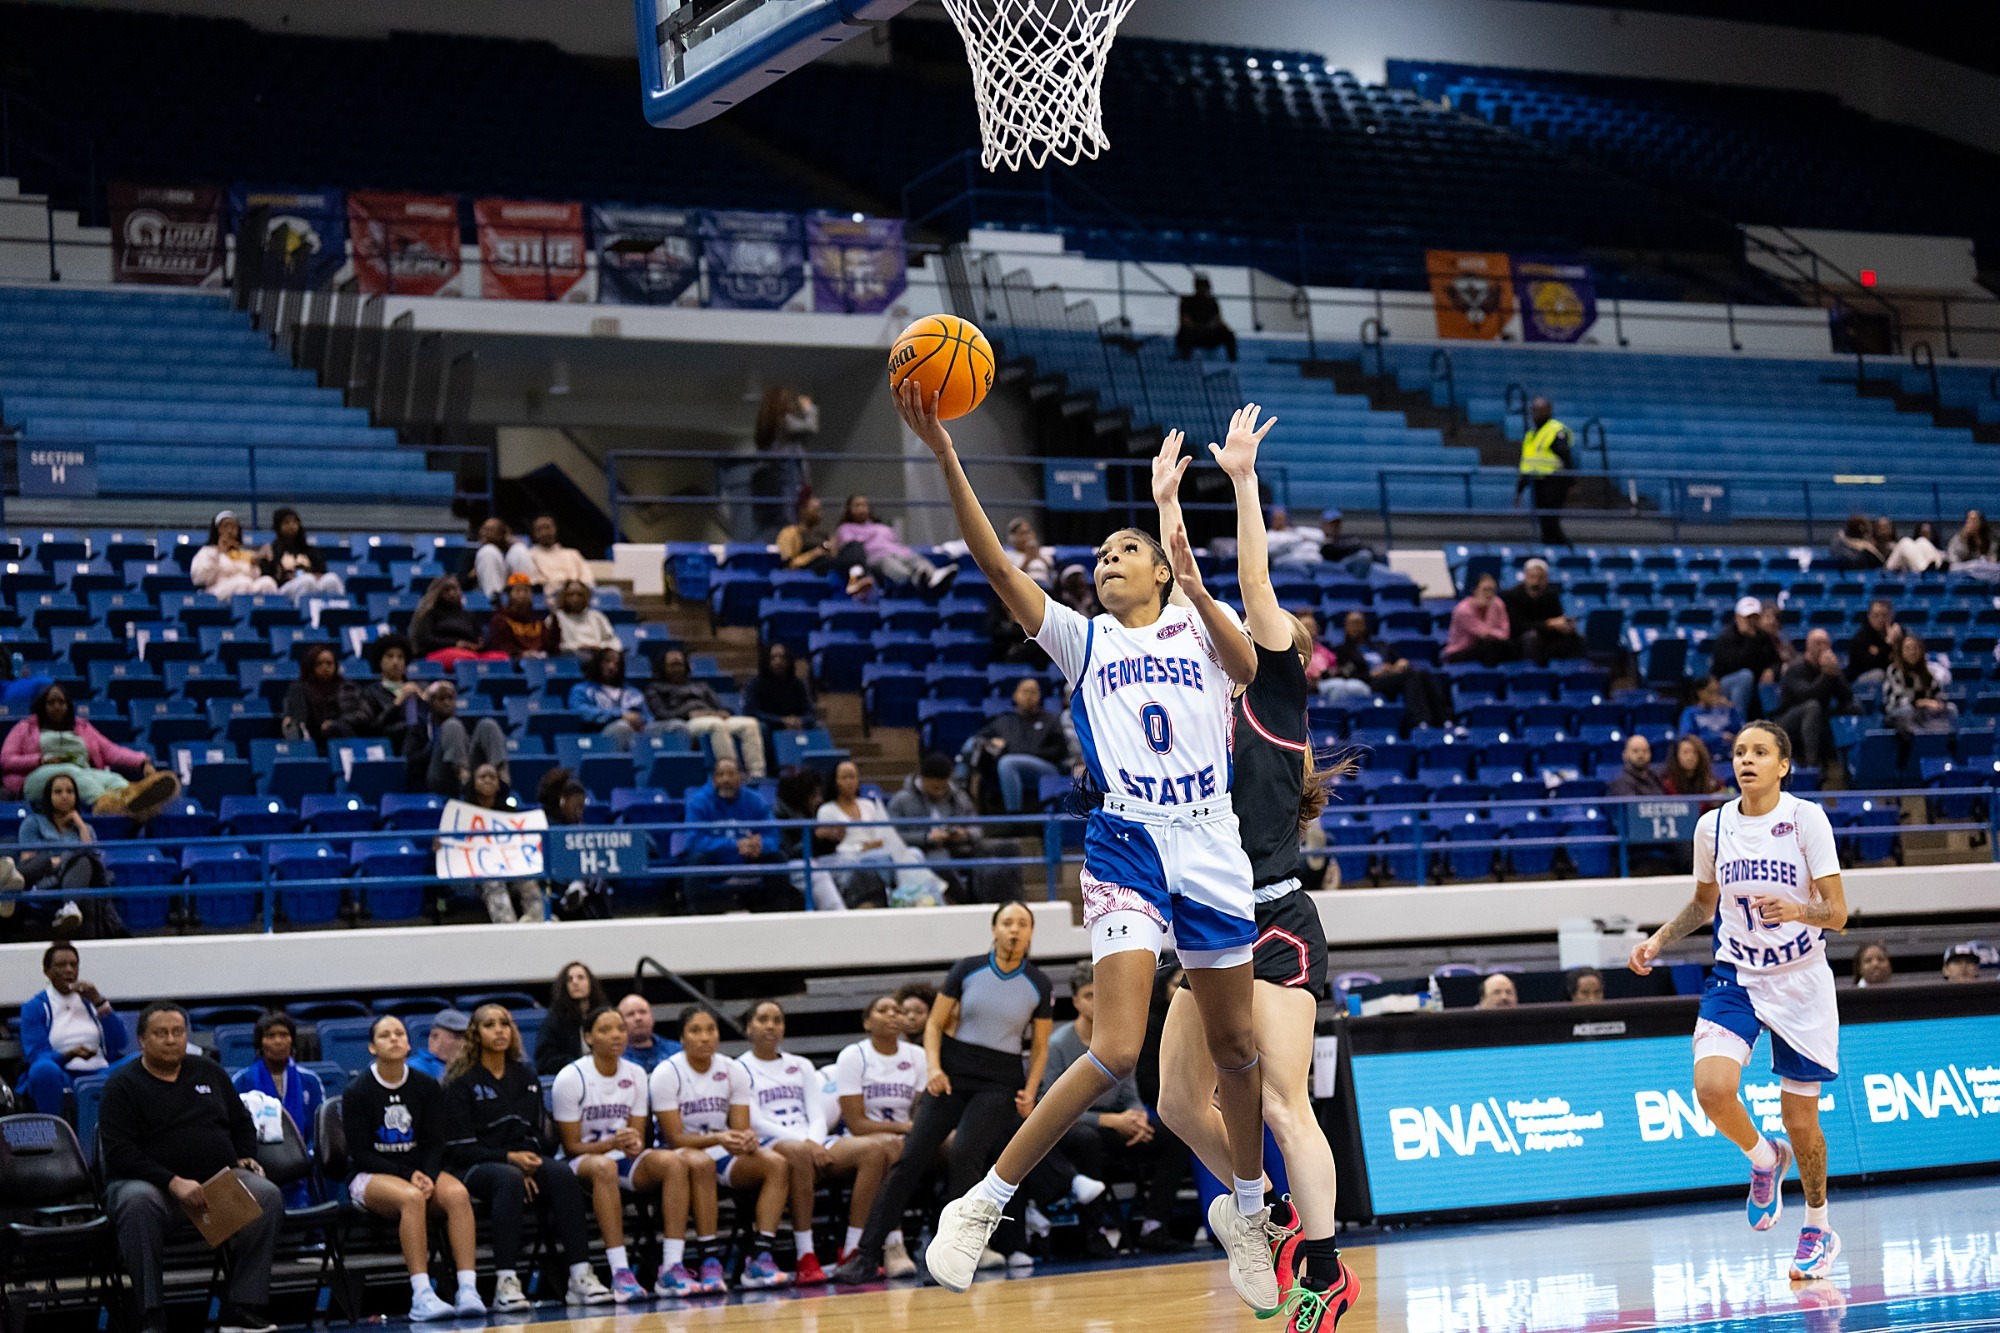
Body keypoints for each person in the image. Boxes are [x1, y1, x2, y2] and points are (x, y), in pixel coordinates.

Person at [864, 381, 1271, 1305]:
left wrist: (1196, 579)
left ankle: (1248, 1211)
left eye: (1125, 549)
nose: (1106, 560)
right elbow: (997, 565)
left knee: (1237, 1045)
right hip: (1126, 838)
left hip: (1211, 839)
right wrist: (946, 454)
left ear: (1161, 568)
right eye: (1098, 554)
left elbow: (1250, 667)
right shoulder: (1084, 642)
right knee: (1118, 1046)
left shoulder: (1200, 623)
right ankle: (982, 1201)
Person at [1149, 415, 1354, 1327]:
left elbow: (1247, 584)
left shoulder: (1273, 691)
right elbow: (1181, 591)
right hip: (1204, 925)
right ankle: (1267, 1215)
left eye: (1260, 626)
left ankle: (1326, 1265)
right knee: (1176, 1100)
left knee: (1279, 1099)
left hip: (1273, 924)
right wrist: (1165, 508)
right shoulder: (1201, 705)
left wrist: (1239, 479)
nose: (1242, 625)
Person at [1629, 720, 1848, 1281]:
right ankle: (1763, 1158)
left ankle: (1818, 1227)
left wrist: (1799, 910)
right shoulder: (1714, 825)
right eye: (1740, 752)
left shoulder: (1806, 819)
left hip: (1801, 980)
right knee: (1711, 1088)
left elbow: (1839, 914)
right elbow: (1704, 904)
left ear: (1783, 765)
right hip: (1738, 976)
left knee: (1801, 1120)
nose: (1747, 760)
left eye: (1760, 752)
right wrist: (1659, 939)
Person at [834, 902, 1053, 1285]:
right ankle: (865, 1256)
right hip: (952, 1072)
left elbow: (1039, 1047)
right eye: (1007, 922)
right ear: (994, 929)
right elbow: (934, 1025)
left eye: (1023, 923)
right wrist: (933, 1069)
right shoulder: (966, 969)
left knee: (965, 1155)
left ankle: (949, 1259)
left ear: (1031, 933)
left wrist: (1030, 1090)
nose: (1015, 930)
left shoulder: (1039, 983)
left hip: (998, 1081)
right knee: (909, 1159)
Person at [101, 1002, 285, 1333]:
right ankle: (151, 1315)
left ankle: (240, 1307)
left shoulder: (209, 1071)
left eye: (178, 1032)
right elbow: (119, 1153)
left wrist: (244, 1155)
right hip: (153, 1190)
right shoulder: (122, 1085)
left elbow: (242, 1121)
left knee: (267, 1196)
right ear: (142, 1040)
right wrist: (172, 1181)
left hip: (213, 1190)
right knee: (137, 1202)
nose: (171, 1040)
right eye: (161, 1033)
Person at [442, 1005, 614, 1309]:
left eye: (505, 1024)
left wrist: (528, 1164)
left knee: (560, 1173)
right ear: (475, 1035)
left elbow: (535, 1135)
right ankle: (506, 1283)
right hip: (473, 1165)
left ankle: (580, 1275)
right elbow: (460, 1147)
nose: (499, 1030)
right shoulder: (461, 1080)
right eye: (490, 1025)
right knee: (507, 1179)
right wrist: (511, 1160)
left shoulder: (525, 1075)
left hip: (519, 1161)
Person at [738, 1000, 898, 1283]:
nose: (771, 1026)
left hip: (812, 1139)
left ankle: (853, 1250)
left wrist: (815, 1140)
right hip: (770, 1142)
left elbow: (816, 1114)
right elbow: (756, 1121)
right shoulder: (739, 1068)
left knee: (873, 1151)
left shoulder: (801, 1065)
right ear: (749, 1027)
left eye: (777, 1020)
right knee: (799, 1152)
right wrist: (808, 1143)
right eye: (763, 1020)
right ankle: (806, 1255)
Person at [342, 1015, 484, 1320]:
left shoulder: (427, 1086)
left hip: (419, 1171)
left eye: (399, 1033)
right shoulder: (357, 1091)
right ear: (372, 1047)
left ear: (408, 1044)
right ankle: (421, 1294)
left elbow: (435, 1142)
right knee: (411, 1197)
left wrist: (429, 1175)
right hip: (371, 1174)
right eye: (385, 1035)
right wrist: (409, 1176)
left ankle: (467, 1289)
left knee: (457, 1194)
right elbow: (361, 1154)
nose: (394, 1039)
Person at [651, 1005, 793, 1291]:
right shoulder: (666, 1073)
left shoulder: (732, 1069)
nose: (705, 1037)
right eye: (695, 1031)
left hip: (719, 1148)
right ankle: (709, 1260)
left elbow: (739, 1129)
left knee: (777, 1164)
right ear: (682, 1039)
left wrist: (746, 1139)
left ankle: (760, 1257)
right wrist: (722, 1139)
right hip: (678, 1152)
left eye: (710, 1030)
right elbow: (675, 1138)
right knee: (701, 1163)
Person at [1040, 963, 1174, 1260]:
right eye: (1089, 996)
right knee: (1086, 1139)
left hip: (1118, 1124)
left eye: (1101, 995)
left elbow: (1131, 1093)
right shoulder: (1058, 1045)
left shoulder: (1117, 1039)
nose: (1096, 1003)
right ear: (1075, 1001)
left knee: (1173, 1136)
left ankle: (1154, 1224)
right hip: (1076, 1126)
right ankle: (1095, 1231)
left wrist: (1137, 1117)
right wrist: (1109, 1120)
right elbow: (1049, 1107)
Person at [552, 1005, 684, 1302]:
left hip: (619, 1157)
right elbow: (571, 1146)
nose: (616, 1035)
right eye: (605, 1029)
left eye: (620, 1029)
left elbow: (635, 1136)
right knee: (604, 1167)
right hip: (580, 1162)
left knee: (674, 1163)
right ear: (588, 1037)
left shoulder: (636, 1074)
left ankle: (672, 1266)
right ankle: (620, 1271)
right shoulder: (570, 1077)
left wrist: (633, 1143)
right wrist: (613, 1144)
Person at [831, 995, 928, 1277]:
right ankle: (892, 1243)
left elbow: (921, 1113)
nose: (892, 1014)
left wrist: (911, 1129)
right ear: (867, 1022)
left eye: (897, 1010)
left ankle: (962, 1240)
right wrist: (904, 1129)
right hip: (858, 1140)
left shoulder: (917, 1056)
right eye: (882, 1010)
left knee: (960, 1145)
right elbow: (857, 1124)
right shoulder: (853, 1055)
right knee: (887, 1147)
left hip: (905, 1139)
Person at [2, 682, 178, 816]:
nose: (57, 707)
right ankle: (105, 805)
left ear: (68, 706)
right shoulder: (25, 728)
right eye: (51, 702)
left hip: (83, 773)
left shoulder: (82, 728)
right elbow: (6, 759)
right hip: (36, 777)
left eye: (61, 702)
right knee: (70, 772)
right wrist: (40, 761)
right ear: (42, 706)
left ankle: (136, 799)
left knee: (111, 778)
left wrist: (141, 762)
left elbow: (111, 751)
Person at [886, 753, 1021, 904]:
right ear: (923, 780)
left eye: (942, 786)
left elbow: (976, 826)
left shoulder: (958, 796)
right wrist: (926, 837)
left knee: (1007, 848)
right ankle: (966, 902)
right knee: (941, 862)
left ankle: (1012, 902)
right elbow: (893, 835)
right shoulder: (901, 801)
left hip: (961, 846)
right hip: (925, 850)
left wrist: (965, 833)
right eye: (935, 786)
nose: (940, 790)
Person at [816, 759, 945, 908]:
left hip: (876, 852)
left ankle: (929, 901)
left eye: (853, 777)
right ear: (835, 782)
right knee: (878, 861)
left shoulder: (868, 805)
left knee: (915, 853)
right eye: (845, 777)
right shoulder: (827, 810)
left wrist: (876, 844)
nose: (850, 782)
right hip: (847, 857)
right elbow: (829, 847)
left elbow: (881, 834)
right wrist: (860, 848)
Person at [17, 941, 127, 1113]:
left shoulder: (91, 1000)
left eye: (73, 965)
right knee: (42, 1070)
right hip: (63, 1073)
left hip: (102, 1070)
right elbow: (37, 1055)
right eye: (61, 965)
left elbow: (120, 1042)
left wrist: (100, 1003)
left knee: (144, 1060)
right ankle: (55, 1127)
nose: (69, 970)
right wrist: (69, 1055)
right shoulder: (34, 1007)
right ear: (47, 971)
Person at [230, 1013, 325, 1209]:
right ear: (260, 1042)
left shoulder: (310, 1081)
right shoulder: (242, 1080)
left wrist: (304, 1158)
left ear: (292, 1040)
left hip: (303, 1167)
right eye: (271, 1036)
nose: (278, 1041)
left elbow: (319, 1131)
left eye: (284, 1035)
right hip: (258, 1169)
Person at [681, 756, 797, 911]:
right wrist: (735, 845)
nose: (726, 779)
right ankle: (699, 915)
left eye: (731, 774)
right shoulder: (699, 802)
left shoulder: (755, 800)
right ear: (714, 779)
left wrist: (759, 845)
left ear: (741, 776)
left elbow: (773, 836)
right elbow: (695, 841)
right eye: (721, 775)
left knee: (777, 857)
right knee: (696, 861)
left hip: (747, 859)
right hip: (715, 861)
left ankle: (778, 914)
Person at [16, 772, 119, 935]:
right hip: (43, 878)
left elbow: (93, 858)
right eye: (58, 792)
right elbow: (27, 861)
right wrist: (61, 860)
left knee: (84, 860)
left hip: (72, 879)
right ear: (48, 796)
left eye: (70, 791)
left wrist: (81, 826)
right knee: (54, 859)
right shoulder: (33, 823)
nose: (65, 796)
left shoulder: (86, 829)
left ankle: (70, 908)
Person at [646, 648, 768, 777]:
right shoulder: (655, 688)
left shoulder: (702, 686)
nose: (677, 669)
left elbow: (720, 707)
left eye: (680, 664)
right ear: (663, 667)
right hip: (685, 723)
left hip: (712, 717)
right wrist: (688, 714)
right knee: (716, 725)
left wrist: (724, 712)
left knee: (749, 724)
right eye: (673, 665)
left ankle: (757, 774)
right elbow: (662, 714)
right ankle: (730, 772)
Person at [966, 677, 1070, 814]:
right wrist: (990, 742)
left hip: (1044, 768)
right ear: (1015, 695)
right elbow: (978, 739)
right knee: (972, 748)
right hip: (1007, 768)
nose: (1029, 696)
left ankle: (1014, 815)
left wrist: (1030, 752)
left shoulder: (1050, 720)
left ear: (1039, 696)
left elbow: (1060, 751)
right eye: (1025, 691)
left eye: (1033, 692)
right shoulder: (1004, 721)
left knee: (1008, 762)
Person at [1329, 610, 1449, 728]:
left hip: (1392, 675)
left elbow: (1396, 658)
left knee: (1422, 673)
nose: (1356, 627)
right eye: (1352, 623)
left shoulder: (1379, 645)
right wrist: (1373, 673)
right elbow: (1348, 674)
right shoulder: (1343, 650)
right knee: (1411, 677)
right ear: (1346, 627)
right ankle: (1419, 721)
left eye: (1358, 623)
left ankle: (1444, 719)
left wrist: (1401, 662)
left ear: (1364, 625)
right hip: (1372, 681)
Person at [458, 764, 542, 923]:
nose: (488, 780)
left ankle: (537, 924)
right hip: (477, 875)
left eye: (492, 777)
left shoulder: (510, 814)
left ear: (498, 784)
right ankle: (508, 929)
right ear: (474, 783)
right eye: (482, 777)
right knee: (493, 883)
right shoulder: (461, 814)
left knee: (529, 882)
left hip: (510, 869)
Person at [402, 681, 508, 798]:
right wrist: (434, 745)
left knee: (488, 725)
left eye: (450, 698)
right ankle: (464, 780)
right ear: (430, 703)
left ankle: (501, 779)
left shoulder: (467, 723)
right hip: (440, 776)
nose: (447, 702)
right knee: (451, 725)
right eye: (441, 699)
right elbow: (412, 761)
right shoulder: (419, 728)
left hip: (473, 775)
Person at [833, 495, 955, 591]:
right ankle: (917, 580)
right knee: (892, 565)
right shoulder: (845, 529)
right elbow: (851, 549)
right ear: (849, 509)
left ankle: (932, 575)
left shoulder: (881, 527)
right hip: (876, 558)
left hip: (899, 553)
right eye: (857, 505)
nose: (862, 508)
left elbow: (895, 542)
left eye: (864, 505)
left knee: (916, 559)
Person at [1774, 630, 1852, 770]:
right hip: (1788, 719)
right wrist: (1827, 675)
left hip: (1820, 717)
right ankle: (1812, 765)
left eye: (1826, 644)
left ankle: (1850, 765)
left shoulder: (1828, 669)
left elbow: (1847, 697)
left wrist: (1836, 674)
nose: (1822, 647)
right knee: (1812, 706)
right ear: (1808, 646)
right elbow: (1807, 695)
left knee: (1853, 707)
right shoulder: (1796, 668)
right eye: (1818, 643)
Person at [568, 648, 668, 750]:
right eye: (606, 662)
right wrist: (620, 715)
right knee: (623, 727)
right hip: (599, 734)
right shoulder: (582, 689)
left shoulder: (633, 692)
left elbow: (648, 717)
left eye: (616, 663)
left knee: (674, 726)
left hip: (639, 731)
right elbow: (581, 712)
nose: (611, 667)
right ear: (597, 664)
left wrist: (639, 720)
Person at [409, 575, 507, 667]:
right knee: (465, 657)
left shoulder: (469, 615)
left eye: (454, 589)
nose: (452, 593)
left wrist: (479, 644)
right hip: (442, 652)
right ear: (438, 593)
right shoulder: (430, 614)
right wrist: (455, 644)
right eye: (447, 590)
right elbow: (425, 640)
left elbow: (479, 637)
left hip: (471, 653)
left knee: (501, 658)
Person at [1513, 397, 1573, 546]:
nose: (1536, 414)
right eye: (1534, 410)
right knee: (1544, 521)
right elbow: (1526, 464)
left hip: (1554, 482)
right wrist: (1520, 489)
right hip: (1537, 483)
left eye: (1540, 410)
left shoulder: (1555, 430)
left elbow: (1566, 457)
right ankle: (1552, 548)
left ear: (1548, 411)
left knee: (1550, 521)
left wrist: (1571, 483)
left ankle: (1564, 549)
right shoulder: (1531, 435)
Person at [283, 644, 368, 748]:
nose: (325, 667)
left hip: (343, 731)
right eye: (319, 664)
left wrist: (335, 723)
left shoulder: (348, 688)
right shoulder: (299, 689)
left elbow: (360, 715)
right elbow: (298, 720)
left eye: (329, 663)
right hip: (314, 735)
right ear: (311, 666)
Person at [1711, 597, 1782, 721]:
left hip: (1756, 685)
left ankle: (1774, 723)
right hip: (1727, 683)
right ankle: (1739, 722)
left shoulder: (1763, 637)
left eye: (1754, 617)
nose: (1751, 622)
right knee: (1745, 676)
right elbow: (1734, 664)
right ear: (1738, 617)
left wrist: (1771, 670)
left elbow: (1776, 660)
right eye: (1747, 617)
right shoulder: (1726, 638)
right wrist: (1749, 638)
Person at [1501, 558, 1585, 663]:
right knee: (1531, 637)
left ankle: (1575, 669)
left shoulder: (1551, 596)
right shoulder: (1512, 596)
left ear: (1546, 579)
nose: (1536, 582)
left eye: (1540, 578)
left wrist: (1566, 626)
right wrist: (1548, 624)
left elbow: (1557, 618)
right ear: (1526, 577)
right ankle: (1532, 670)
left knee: (1576, 638)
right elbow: (1517, 627)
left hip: (1547, 637)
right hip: (1521, 640)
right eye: (1532, 577)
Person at [536, 960, 610, 1076]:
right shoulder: (555, 1019)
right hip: (573, 1075)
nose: (575, 982)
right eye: (569, 979)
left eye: (581, 977)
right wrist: (578, 1064)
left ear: (590, 982)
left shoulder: (604, 1014)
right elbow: (545, 1060)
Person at [190, 510, 279, 599]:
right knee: (243, 583)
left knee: (267, 582)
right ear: (217, 530)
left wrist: (254, 565)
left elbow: (253, 579)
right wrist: (218, 552)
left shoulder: (243, 553)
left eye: (233, 527)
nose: (229, 531)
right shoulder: (208, 551)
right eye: (225, 526)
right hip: (215, 591)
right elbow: (200, 579)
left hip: (245, 587)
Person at [260, 507, 343, 600]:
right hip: (284, 589)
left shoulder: (310, 550)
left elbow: (321, 570)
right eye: (287, 522)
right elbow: (269, 578)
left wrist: (315, 575)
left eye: (295, 522)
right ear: (278, 526)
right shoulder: (271, 551)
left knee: (332, 579)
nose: (292, 526)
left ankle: (336, 608)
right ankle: (302, 609)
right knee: (307, 580)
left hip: (312, 583)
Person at [1882, 632, 1957, 735]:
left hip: (1923, 710)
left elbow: (1938, 694)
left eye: (1915, 648)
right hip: (1897, 710)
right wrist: (1922, 702)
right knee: (1907, 710)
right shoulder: (1894, 671)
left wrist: (1939, 704)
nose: (1912, 652)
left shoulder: (1927, 672)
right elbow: (1898, 699)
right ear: (1901, 651)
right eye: (1907, 648)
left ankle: (1950, 742)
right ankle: (1915, 742)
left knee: (1951, 709)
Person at [358, 633, 423, 748]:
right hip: (389, 742)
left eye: (400, 657)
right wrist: (397, 702)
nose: (395, 662)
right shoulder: (370, 693)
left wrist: (424, 700)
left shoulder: (418, 687)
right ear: (380, 661)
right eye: (390, 656)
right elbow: (373, 727)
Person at [1443, 572, 1516, 666]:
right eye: (1485, 590)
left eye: (1492, 590)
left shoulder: (1498, 604)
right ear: (1475, 591)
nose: (1489, 594)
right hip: (1460, 651)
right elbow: (1484, 633)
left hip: (1488, 647)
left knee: (1510, 646)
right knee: (1489, 646)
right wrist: (1497, 632)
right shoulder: (1463, 610)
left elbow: (1505, 633)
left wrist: (1497, 635)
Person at [483, 576, 559, 659]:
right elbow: (502, 647)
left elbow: (551, 646)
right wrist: (522, 654)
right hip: (513, 663)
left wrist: (554, 621)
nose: (522, 595)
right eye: (518, 591)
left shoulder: (538, 620)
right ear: (509, 595)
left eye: (526, 591)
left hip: (539, 661)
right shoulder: (501, 619)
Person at [1679, 675, 1744, 760]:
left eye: (1718, 692)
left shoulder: (1726, 710)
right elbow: (1688, 738)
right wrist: (1718, 737)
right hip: (1705, 757)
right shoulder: (1690, 713)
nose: (1716, 696)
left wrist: (1732, 709)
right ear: (1700, 693)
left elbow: (1739, 730)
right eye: (1711, 692)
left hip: (1729, 755)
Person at [1175, 273, 1236, 362]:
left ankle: (1233, 361)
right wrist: (1201, 327)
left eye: (1205, 286)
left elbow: (1219, 320)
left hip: (1209, 334)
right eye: (1200, 286)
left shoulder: (1212, 302)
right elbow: (1185, 321)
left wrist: (1214, 326)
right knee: (1186, 333)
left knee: (1228, 334)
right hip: (1194, 333)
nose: (1203, 289)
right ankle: (1185, 360)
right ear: (1196, 287)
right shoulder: (1187, 301)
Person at [527, 515, 592, 595]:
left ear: (555, 529)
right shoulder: (530, 555)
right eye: (539, 529)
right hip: (550, 596)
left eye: (547, 528)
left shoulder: (573, 554)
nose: (544, 533)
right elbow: (536, 582)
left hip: (577, 595)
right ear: (534, 533)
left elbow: (587, 578)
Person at [617, 993, 680, 1073]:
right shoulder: (616, 1059)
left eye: (643, 1012)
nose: (638, 1018)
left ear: (652, 1016)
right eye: (630, 1014)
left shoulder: (677, 1051)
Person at [550, 581, 618, 655]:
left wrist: (599, 647)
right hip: (568, 657)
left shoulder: (597, 617)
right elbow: (551, 646)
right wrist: (578, 648)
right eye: (571, 595)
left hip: (597, 656)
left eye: (580, 595)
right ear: (564, 597)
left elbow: (613, 641)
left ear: (587, 597)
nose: (575, 598)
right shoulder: (557, 618)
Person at [472, 518, 535, 599]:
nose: (485, 533)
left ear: (501, 534)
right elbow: (463, 581)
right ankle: (495, 600)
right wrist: (473, 573)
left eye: (490, 530)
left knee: (519, 549)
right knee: (488, 551)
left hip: (512, 589)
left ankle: (523, 597)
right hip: (485, 595)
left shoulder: (512, 549)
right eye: (483, 529)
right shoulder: (472, 551)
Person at [777, 494, 837, 575]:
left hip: (825, 570)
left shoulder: (823, 535)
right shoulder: (789, 533)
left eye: (819, 510)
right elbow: (788, 564)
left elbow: (834, 556)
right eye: (815, 510)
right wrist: (814, 554)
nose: (818, 514)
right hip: (802, 572)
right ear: (803, 510)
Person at [407, 1008, 470, 1080]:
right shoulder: (415, 1067)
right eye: (458, 1037)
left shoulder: (471, 1064)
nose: (465, 1043)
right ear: (434, 1037)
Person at [1316, 508, 1375, 579]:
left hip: (1346, 573)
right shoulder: (1316, 540)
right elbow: (1329, 551)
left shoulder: (1344, 540)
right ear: (1324, 524)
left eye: (1337, 523)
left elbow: (1364, 547)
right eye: (1332, 524)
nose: (1335, 527)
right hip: (1325, 574)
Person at [1004, 516, 1056, 587]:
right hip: (1023, 588)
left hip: (1046, 588)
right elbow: (1010, 577)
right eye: (1022, 533)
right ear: (1013, 537)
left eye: (1028, 532)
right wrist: (1027, 560)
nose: (1027, 536)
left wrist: (1037, 555)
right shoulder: (1008, 555)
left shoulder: (1045, 551)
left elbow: (1054, 571)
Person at [1947, 509, 2000, 578]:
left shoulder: (1992, 538)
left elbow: (1993, 560)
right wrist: (1965, 539)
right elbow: (1954, 563)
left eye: (1973, 519)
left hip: (1989, 574)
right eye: (1968, 519)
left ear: (1981, 522)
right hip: (1964, 574)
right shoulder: (1958, 539)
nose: (1970, 522)